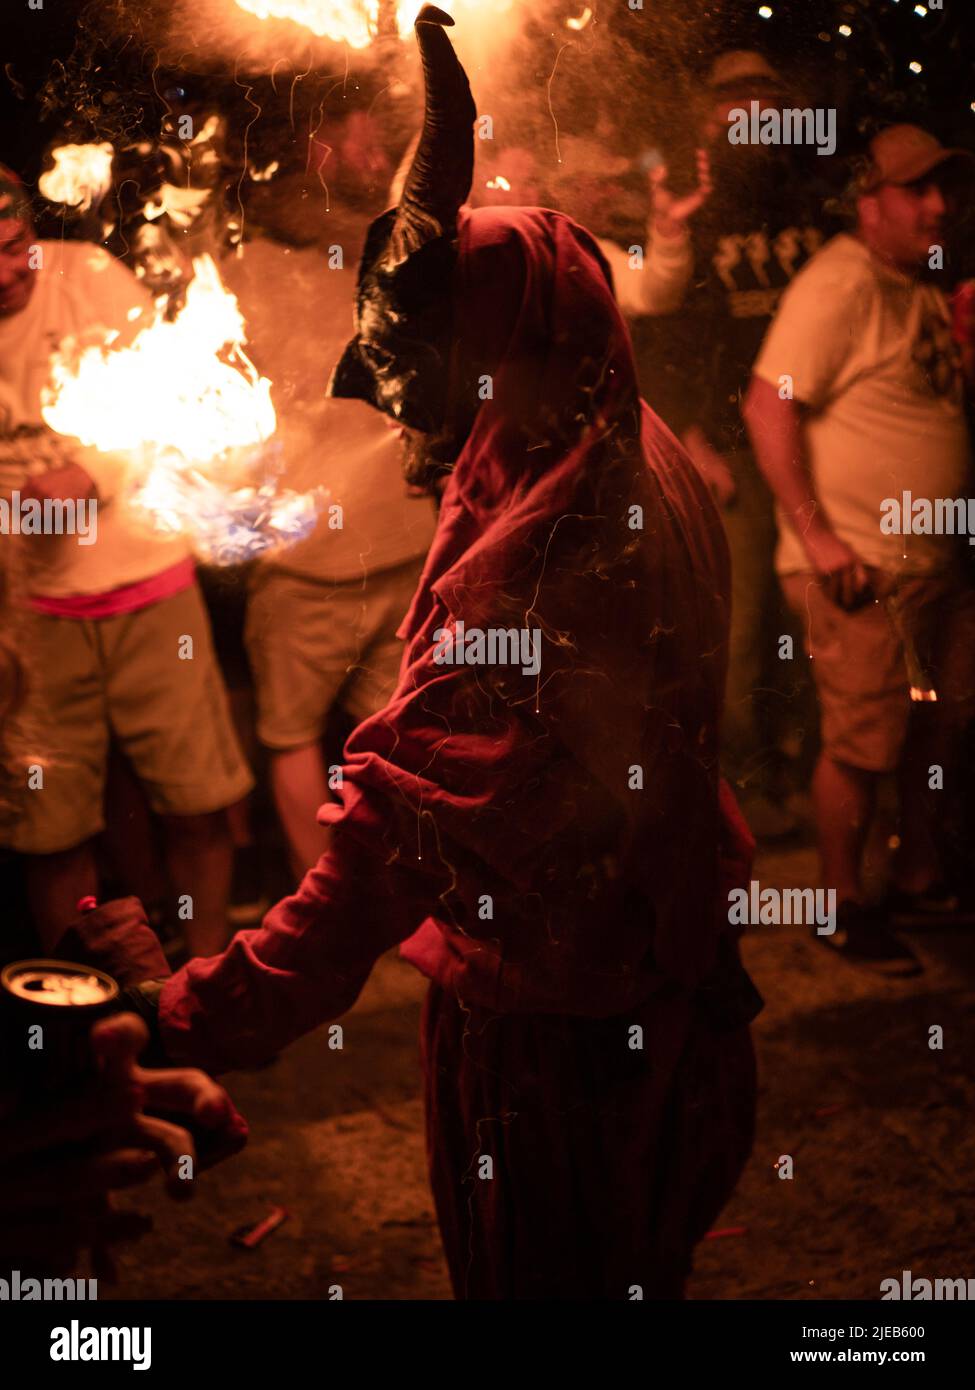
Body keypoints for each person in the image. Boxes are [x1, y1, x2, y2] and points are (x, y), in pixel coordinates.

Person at [78, 7, 761, 1300]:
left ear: (503, 369)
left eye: (430, 403)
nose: (410, 448)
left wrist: (179, 1009)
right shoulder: (634, 444)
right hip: (677, 991)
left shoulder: (520, 582)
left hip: (549, 1045)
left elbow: (374, 865)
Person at [0, 161, 254, 956]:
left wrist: (90, 475)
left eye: (17, 246)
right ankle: (88, 1012)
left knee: (197, 800)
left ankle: (210, 983)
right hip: (28, 611)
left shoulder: (91, 278)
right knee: (50, 825)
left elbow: (169, 394)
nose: (9, 272)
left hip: (148, 583)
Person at [744, 124, 975, 975]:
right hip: (859, 572)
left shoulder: (915, 284)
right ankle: (843, 906)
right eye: (916, 190)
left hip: (929, 565)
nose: (938, 205)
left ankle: (913, 873)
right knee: (859, 743)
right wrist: (815, 535)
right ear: (868, 202)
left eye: (943, 188)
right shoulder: (836, 283)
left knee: (935, 729)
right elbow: (767, 407)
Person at [625, 51, 832, 838]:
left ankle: (816, 774)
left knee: (814, 621)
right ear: (711, 113)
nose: (751, 114)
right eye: (733, 101)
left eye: (764, 98)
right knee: (738, 633)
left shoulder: (813, 202)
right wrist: (691, 439)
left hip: (815, 447)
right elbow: (661, 337)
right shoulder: (691, 203)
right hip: (732, 453)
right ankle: (745, 793)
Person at [219, 215, 437, 879]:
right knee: (294, 738)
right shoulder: (233, 270)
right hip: (302, 572)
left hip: (401, 549)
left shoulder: (387, 246)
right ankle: (322, 907)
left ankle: (412, 898)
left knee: (409, 737)